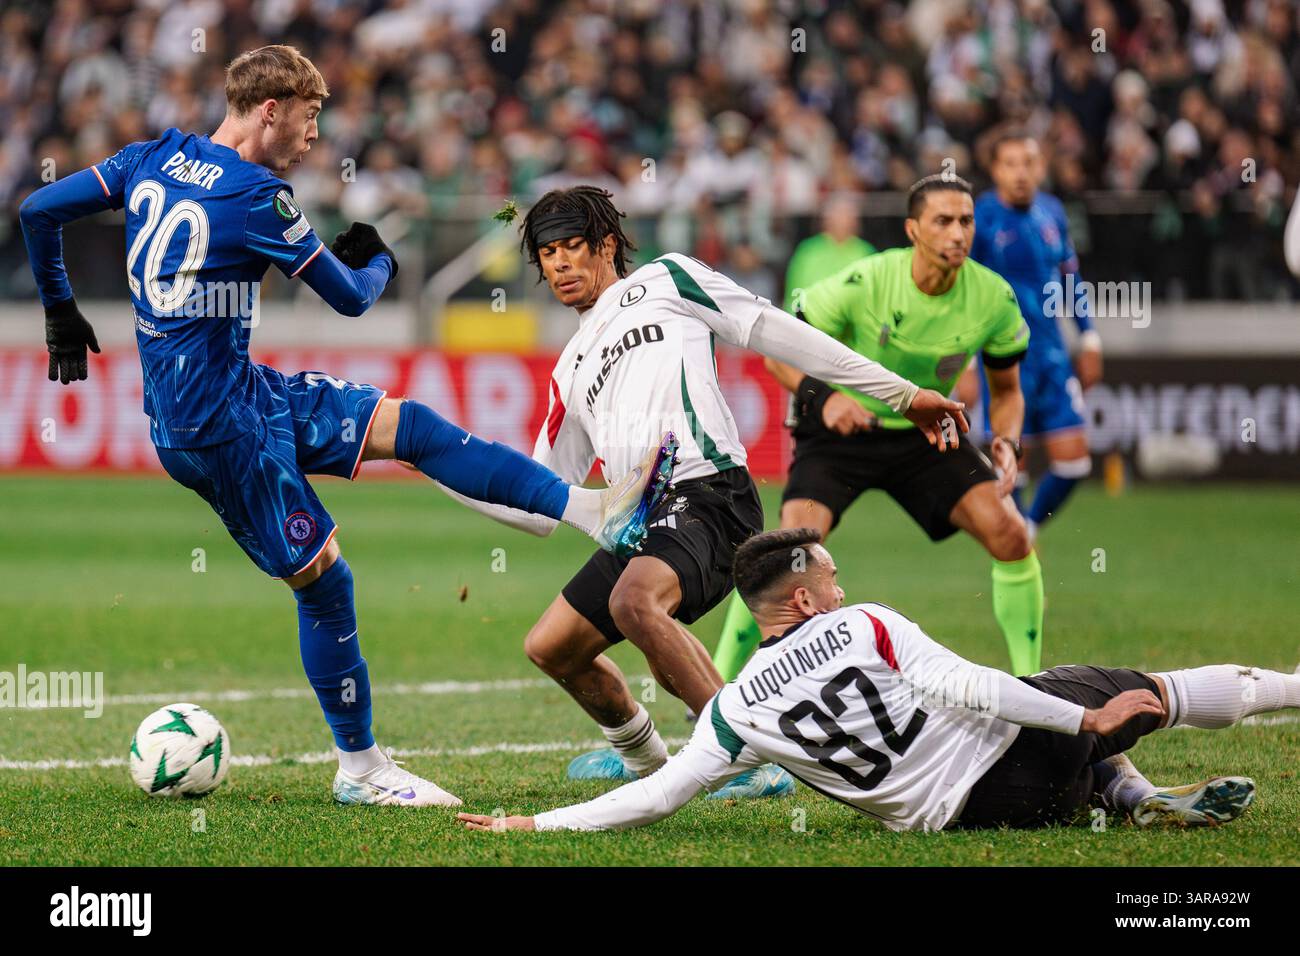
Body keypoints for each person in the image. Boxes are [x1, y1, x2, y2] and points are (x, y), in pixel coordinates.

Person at [19, 46, 676, 808]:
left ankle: (592, 511)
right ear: (272, 109)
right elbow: (353, 299)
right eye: (309, 116)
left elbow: (38, 210)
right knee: (326, 583)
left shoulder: (150, 155)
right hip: (216, 431)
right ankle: (361, 770)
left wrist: (60, 309)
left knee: (412, 427)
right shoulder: (259, 196)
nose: (313, 135)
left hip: (242, 392)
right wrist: (378, 264)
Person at [441, 185, 966, 799]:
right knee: (552, 647)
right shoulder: (570, 368)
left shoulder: (669, 279)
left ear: (607, 245)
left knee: (633, 603)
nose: (559, 263)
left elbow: (774, 330)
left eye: (572, 246)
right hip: (637, 523)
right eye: (548, 253)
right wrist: (434, 458)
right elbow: (533, 506)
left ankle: (746, 753)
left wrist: (902, 394)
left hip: (709, 491)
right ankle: (646, 758)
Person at [459, 528, 1296, 834]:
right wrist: (1081, 720)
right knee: (1106, 687)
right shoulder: (867, 626)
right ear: (800, 597)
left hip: (973, 820)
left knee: (1035, 713)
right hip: (1026, 764)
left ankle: (1127, 794)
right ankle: (1287, 689)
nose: (842, 589)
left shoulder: (736, 705)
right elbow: (973, 685)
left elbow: (655, 798)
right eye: (830, 577)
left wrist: (530, 825)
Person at [712, 173, 1044, 682]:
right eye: (943, 221)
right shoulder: (864, 282)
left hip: (927, 433)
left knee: (1012, 535)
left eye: (966, 221)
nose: (958, 233)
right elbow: (776, 348)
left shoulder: (994, 297)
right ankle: (715, 690)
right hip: (840, 434)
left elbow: (1005, 391)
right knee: (784, 555)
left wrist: (1007, 440)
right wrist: (827, 401)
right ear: (913, 229)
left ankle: (1032, 682)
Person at [968, 130, 1101, 540]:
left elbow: (1070, 278)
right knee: (1013, 464)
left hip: (1053, 355)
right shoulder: (980, 218)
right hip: (1003, 359)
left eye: (1028, 163)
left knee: (1075, 460)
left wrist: (1090, 338)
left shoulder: (1053, 212)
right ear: (995, 170)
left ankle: (1026, 528)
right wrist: (968, 360)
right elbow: (966, 294)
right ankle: (1019, 544)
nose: (1021, 173)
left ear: (1041, 167)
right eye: (1010, 164)